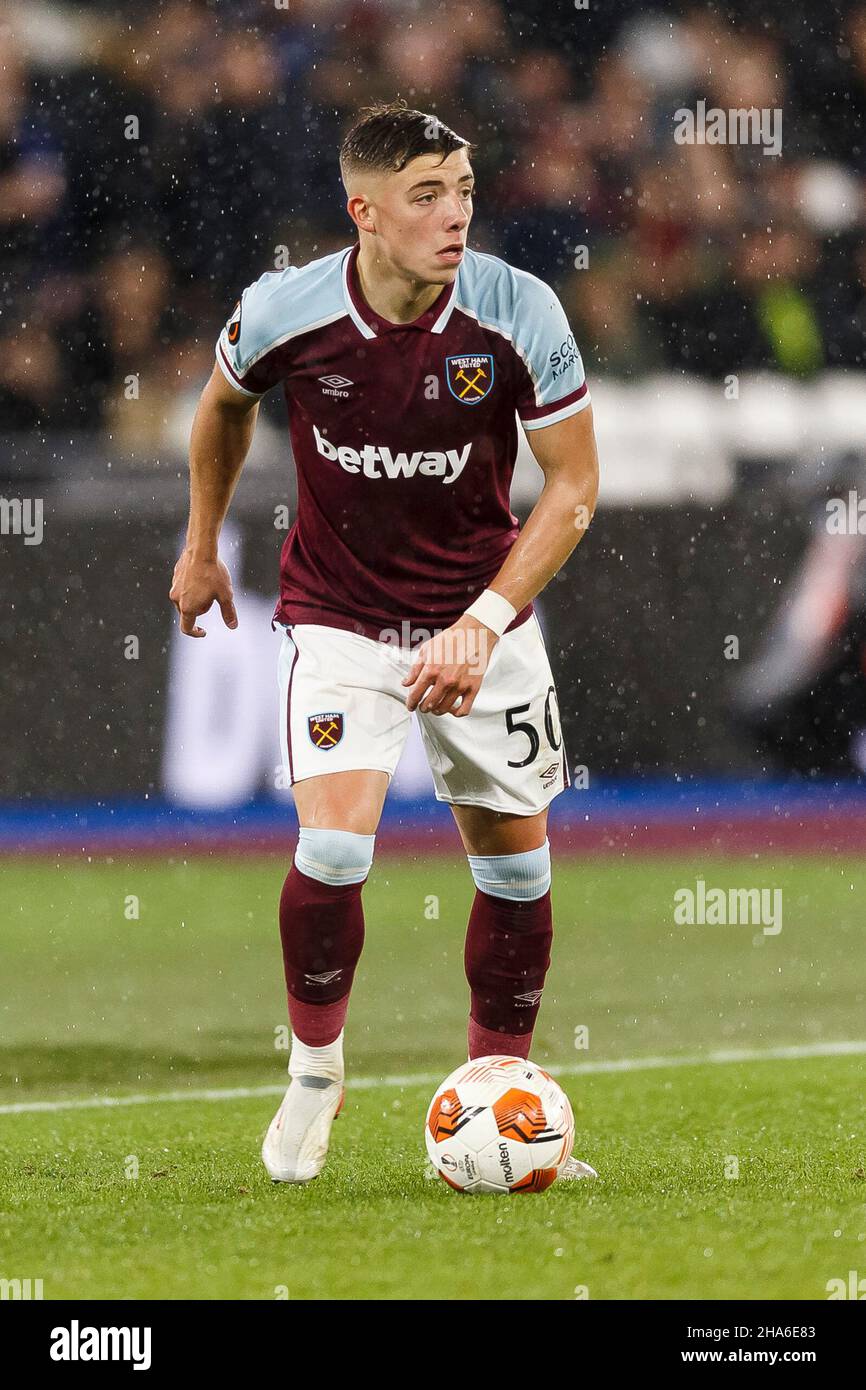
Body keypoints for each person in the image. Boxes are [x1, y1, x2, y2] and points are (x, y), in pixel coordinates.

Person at [169, 102, 600, 1184]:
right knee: (335, 848)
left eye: (461, 189)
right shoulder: (286, 310)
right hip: (339, 615)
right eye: (425, 197)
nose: (454, 214)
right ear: (362, 212)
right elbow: (221, 408)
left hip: (481, 613)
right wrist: (202, 545)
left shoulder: (517, 309)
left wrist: (482, 621)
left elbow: (575, 489)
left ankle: (498, 1091)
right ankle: (315, 1075)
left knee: (515, 872)